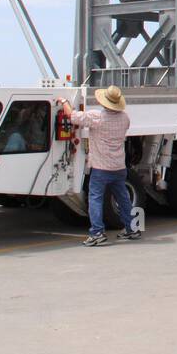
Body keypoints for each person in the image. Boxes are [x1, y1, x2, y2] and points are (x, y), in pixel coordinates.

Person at [61, 86, 137, 247]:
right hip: (119, 166)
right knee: (123, 197)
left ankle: (97, 233)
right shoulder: (125, 118)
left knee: (95, 199)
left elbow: (72, 116)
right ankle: (131, 228)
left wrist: (63, 101)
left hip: (101, 167)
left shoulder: (97, 116)